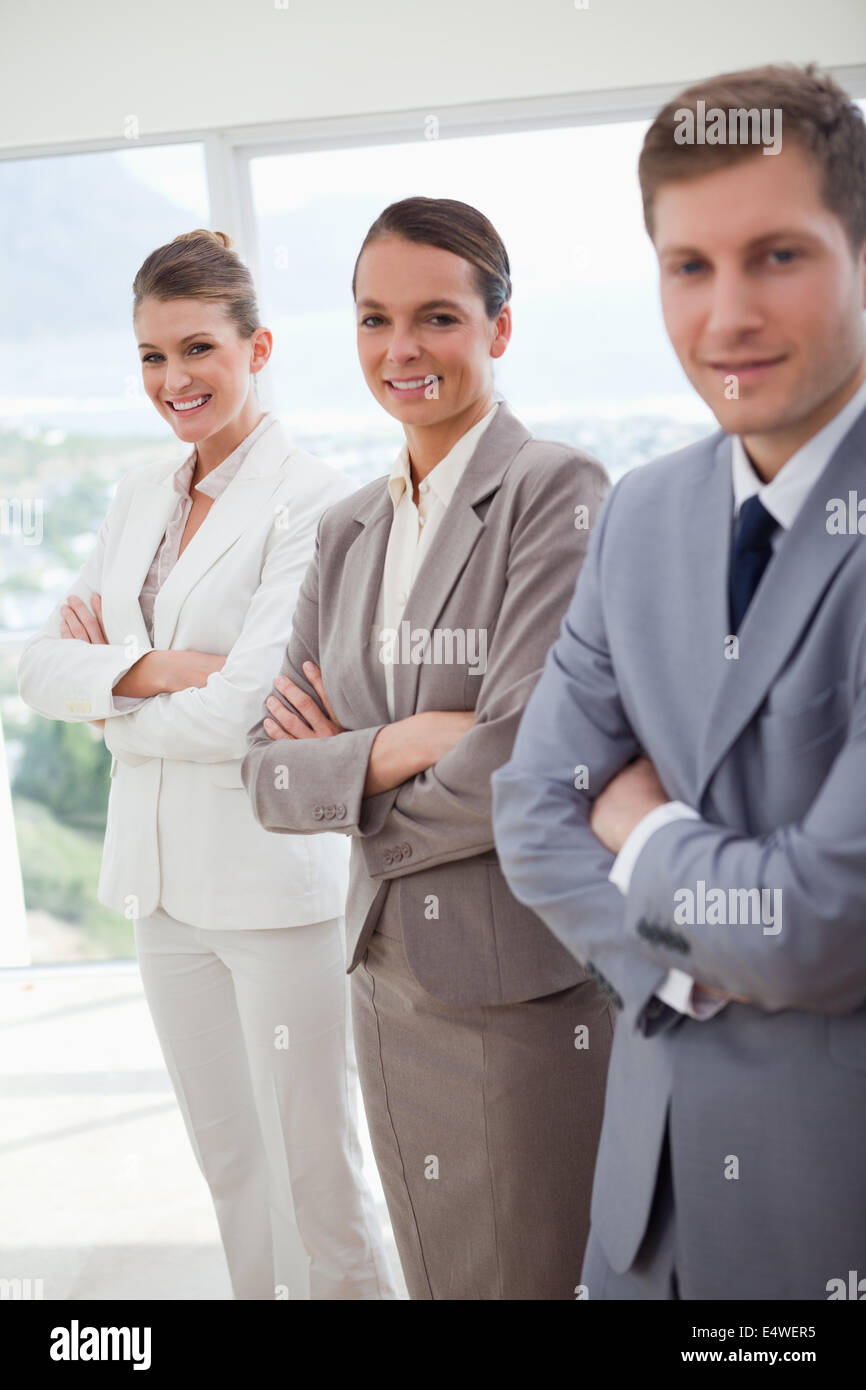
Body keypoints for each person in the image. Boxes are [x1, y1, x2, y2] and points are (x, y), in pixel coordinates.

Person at [492, 64, 866, 1300]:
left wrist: (642, 831)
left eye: (776, 256)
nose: (725, 317)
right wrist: (681, 960)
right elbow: (535, 809)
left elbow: (822, 923)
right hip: (644, 1205)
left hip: (827, 1209)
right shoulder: (642, 512)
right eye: (687, 267)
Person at [242, 197, 614, 1299]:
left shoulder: (552, 490)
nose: (400, 350)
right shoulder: (346, 526)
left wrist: (344, 767)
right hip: (382, 975)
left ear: (497, 328)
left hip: (513, 990)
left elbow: (518, 762)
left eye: (436, 318)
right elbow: (262, 772)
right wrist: (402, 741)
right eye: (372, 319)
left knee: (528, 1277)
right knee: (433, 1270)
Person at [17, 229, 396, 1302]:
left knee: (316, 1174)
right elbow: (42, 665)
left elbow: (249, 710)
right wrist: (154, 672)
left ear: (256, 346)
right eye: (150, 356)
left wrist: (115, 689)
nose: (173, 379)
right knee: (230, 1167)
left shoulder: (314, 497)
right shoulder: (139, 491)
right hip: (159, 889)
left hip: (276, 895)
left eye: (196, 349)